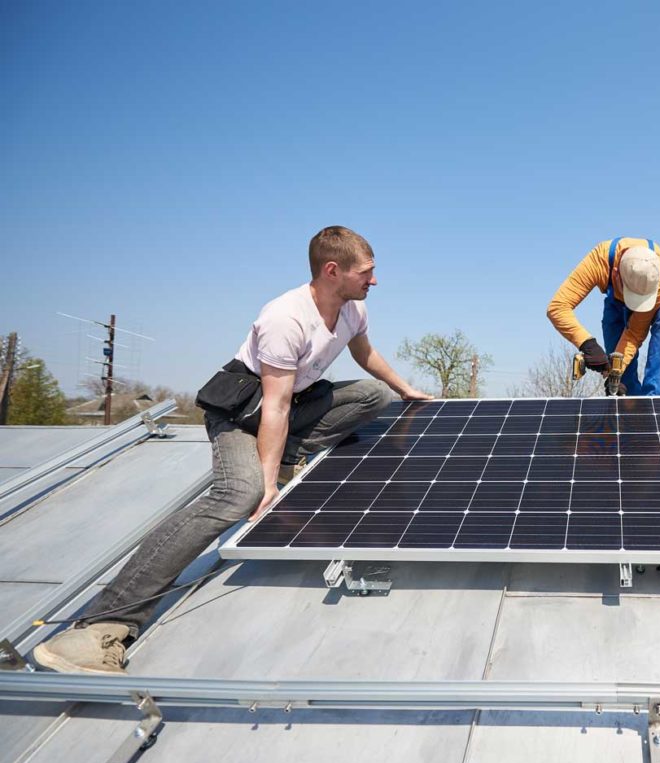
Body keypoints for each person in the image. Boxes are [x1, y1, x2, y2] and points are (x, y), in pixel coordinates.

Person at [33, 226, 430, 674]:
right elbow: (273, 406)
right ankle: (101, 625)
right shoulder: (286, 317)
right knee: (237, 495)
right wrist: (265, 482)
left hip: (293, 408)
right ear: (331, 270)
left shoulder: (352, 308)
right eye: (367, 272)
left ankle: (286, 456)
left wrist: (405, 388)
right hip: (242, 417)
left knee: (376, 396)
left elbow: (364, 354)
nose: (373, 281)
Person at [547, 237, 660, 395]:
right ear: (616, 274)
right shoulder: (599, 262)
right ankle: (630, 410)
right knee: (621, 378)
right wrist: (588, 345)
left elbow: (634, 334)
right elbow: (557, 307)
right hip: (617, 303)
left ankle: (656, 403)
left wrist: (616, 369)